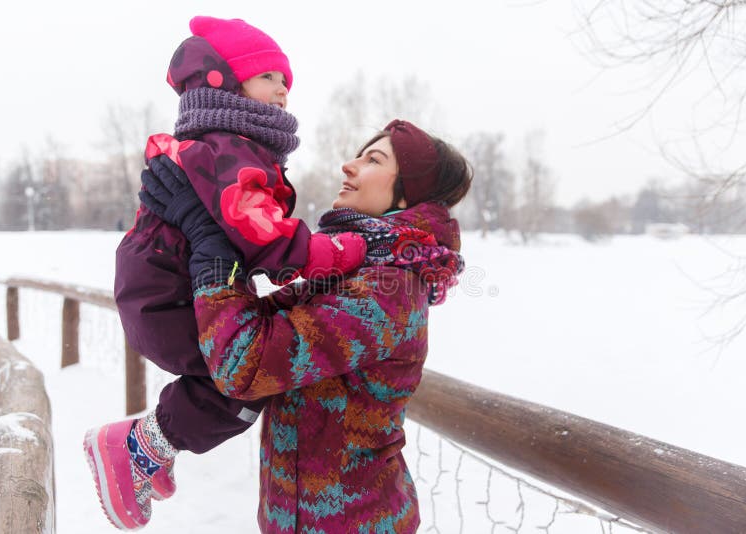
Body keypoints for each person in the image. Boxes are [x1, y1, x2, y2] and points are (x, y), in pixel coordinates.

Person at [83, 16, 366, 531]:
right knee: (242, 383)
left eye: (286, 80)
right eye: (268, 77)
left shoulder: (231, 146)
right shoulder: (226, 147)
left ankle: (152, 445)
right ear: (224, 81)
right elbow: (256, 227)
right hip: (166, 293)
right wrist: (329, 253)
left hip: (167, 286)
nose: (283, 88)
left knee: (237, 378)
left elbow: (246, 234)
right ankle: (138, 447)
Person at [140, 119, 472, 532]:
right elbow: (254, 326)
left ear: (407, 196)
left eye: (373, 159)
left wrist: (210, 241)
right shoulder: (355, 274)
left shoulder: (389, 290)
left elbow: (244, 362)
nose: (348, 166)